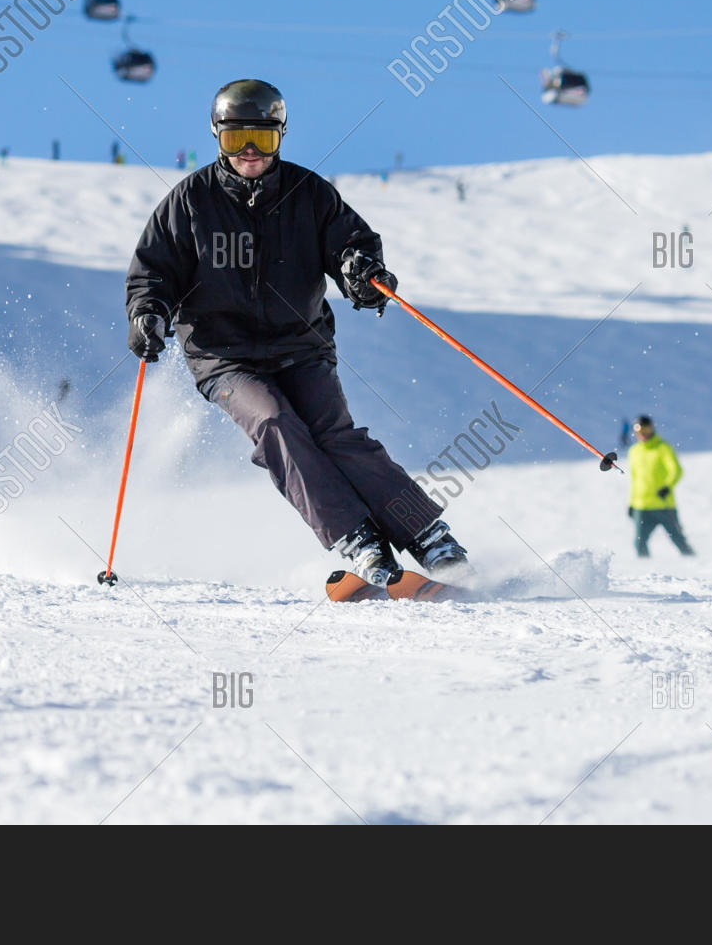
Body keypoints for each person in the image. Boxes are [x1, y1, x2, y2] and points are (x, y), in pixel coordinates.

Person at [124, 79, 472, 599]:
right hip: (223, 356)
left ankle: (426, 534)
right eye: (236, 139)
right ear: (216, 137)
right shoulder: (189, 202)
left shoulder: (309, 194)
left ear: (280, 137)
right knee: (275, 422)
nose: (248, 152)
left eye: (261, 140)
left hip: (299, 345)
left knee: (336, 434)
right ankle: (357, 538)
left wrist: (361, 272)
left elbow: (352, 244)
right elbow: (152, 273)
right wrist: (147, 314)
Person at [627, 415, 694, 556]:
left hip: (663, 505)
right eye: (639, 430)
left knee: (678, 540)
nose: (642, 434)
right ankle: (645, 573)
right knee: (639, 543)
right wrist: (632, 503)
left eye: (646, 429)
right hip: (642, 506)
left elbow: (676, 470)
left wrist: (667, 486)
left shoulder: (663, 448)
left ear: (652, 429)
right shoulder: (634, 451)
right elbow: (635, 480)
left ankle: (697, 568)